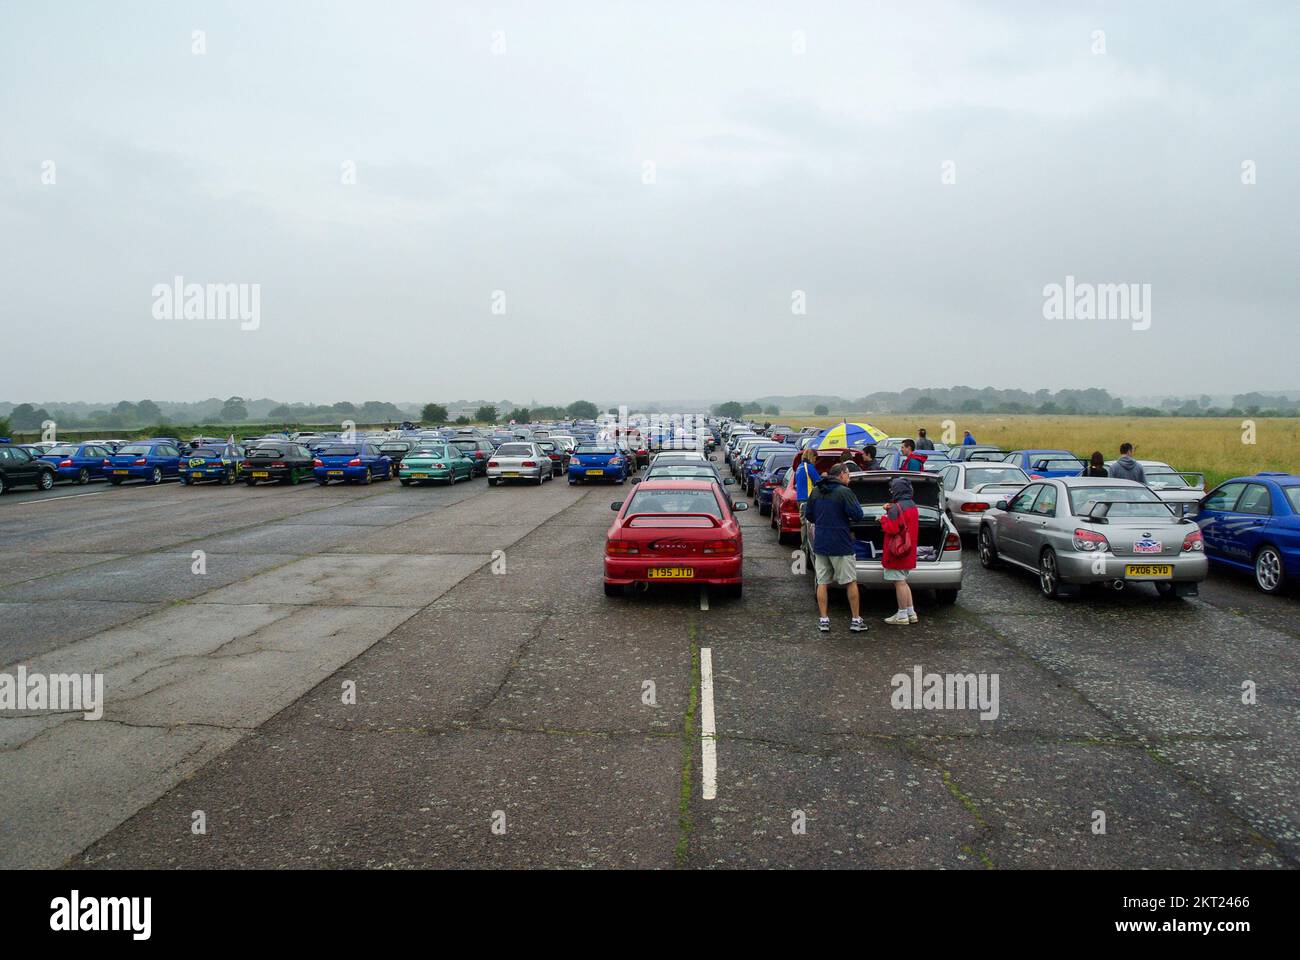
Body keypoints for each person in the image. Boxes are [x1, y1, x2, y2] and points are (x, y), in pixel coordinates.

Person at [804, 462, 866, 633]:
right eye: (848, 474)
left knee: (822, 581)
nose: (849, 477)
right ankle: (855, 619)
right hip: (841, 543)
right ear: (841, 474)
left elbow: (809, 514)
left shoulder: (816, 491)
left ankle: (824, 620)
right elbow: (858, 515)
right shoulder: (844, 492)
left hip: (821, 543)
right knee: (850, 582)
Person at [881, 476, 919, 625]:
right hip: (908, 550)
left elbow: (892, 528)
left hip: (896, 552)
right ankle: (911, 612)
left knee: (899, 583)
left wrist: (883, 519)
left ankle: (902, 615)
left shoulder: (895, 508)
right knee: (904, 581)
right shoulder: (913, 505)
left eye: (892, 489)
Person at [793, 448, 821, 550]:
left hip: (800, 499)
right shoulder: (808, 467)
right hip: (807, 500)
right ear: (811, 456)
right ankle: (806, 547)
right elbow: (819, 482)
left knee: (804, 524)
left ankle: (804, 546)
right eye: (815, 457)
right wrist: (825, 476)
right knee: (808, 525)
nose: (815, 460)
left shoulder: (799, 467)